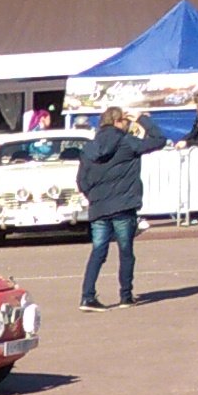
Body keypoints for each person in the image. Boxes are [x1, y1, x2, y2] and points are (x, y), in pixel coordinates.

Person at [77, 104, 146, 309]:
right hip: (123, 205)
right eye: (124, 120)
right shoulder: (128, 143)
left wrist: (94, 196)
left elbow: (82, 181)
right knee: (125, 251)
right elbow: (158, 140)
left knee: (98, 251)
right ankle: (125, 295)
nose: (126, 123)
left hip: (99, 207)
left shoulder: (89, 147)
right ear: (117, 121)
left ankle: (87, 296)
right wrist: (142, 119)